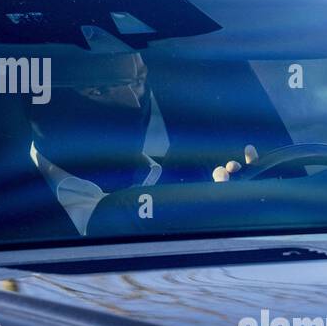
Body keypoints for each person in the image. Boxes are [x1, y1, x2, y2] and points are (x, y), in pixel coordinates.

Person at [29, 48, 256, 235]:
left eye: (138, 81)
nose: (133, 103)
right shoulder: (9, 204)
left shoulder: (194, 183)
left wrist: (240, 216)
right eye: (99, 89)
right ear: (41, 104)